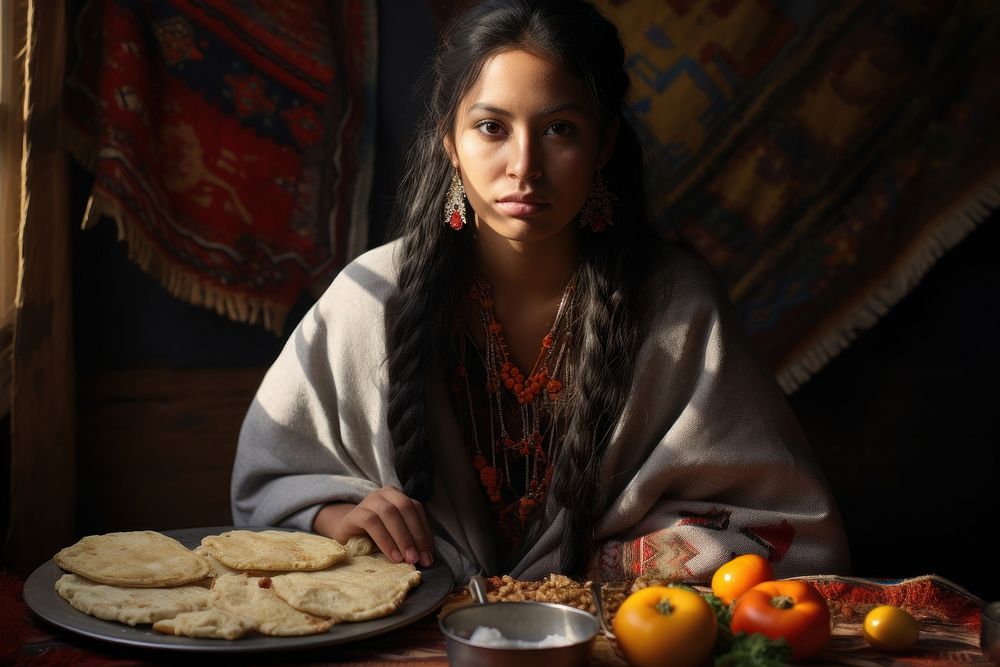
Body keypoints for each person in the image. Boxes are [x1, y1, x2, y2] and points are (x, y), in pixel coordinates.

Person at [231, 0, 849, 583]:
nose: (523, 165)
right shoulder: (371, 300)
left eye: (559, 129)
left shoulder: (674, 305)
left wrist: (623, 560)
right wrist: (335, 516)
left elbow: (789, 527)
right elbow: (271, 482)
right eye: (492, 127)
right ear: (450, 141)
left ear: (603, 144)